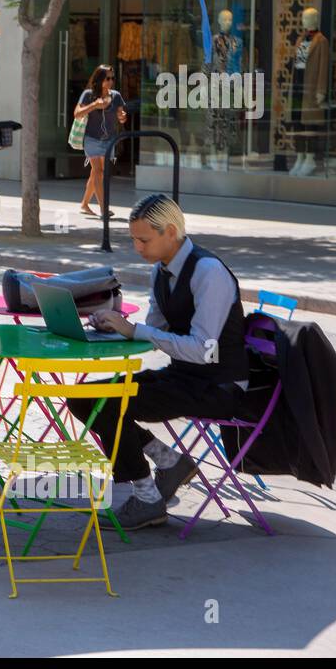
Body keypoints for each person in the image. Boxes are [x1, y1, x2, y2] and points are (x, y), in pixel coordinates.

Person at [66, 193, 251, 530]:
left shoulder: (208, 272)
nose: (137, 247)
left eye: (143, 239)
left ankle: (148, 498)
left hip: (218, 385)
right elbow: (155, 330)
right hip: (183, 377)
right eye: (134, 239)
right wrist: (113, 326)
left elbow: (203, 350)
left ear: (170, 231)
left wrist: (136, 330)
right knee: (81, 398)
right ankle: (169, 462)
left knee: (108, 405)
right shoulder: (160, 272)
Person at [73, 65, 128, 217]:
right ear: (99, 79)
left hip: (108, 140)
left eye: (112, 78)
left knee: (96, 173)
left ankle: (84, 204)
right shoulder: (88, 95)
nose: (110, 81)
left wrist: (122, 116)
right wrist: (94, 105)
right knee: (99, 171)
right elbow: (77, 114)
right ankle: (104, 208)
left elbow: (121, 116)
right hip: (91, 139)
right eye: (107, 78)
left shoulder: (116, 96)